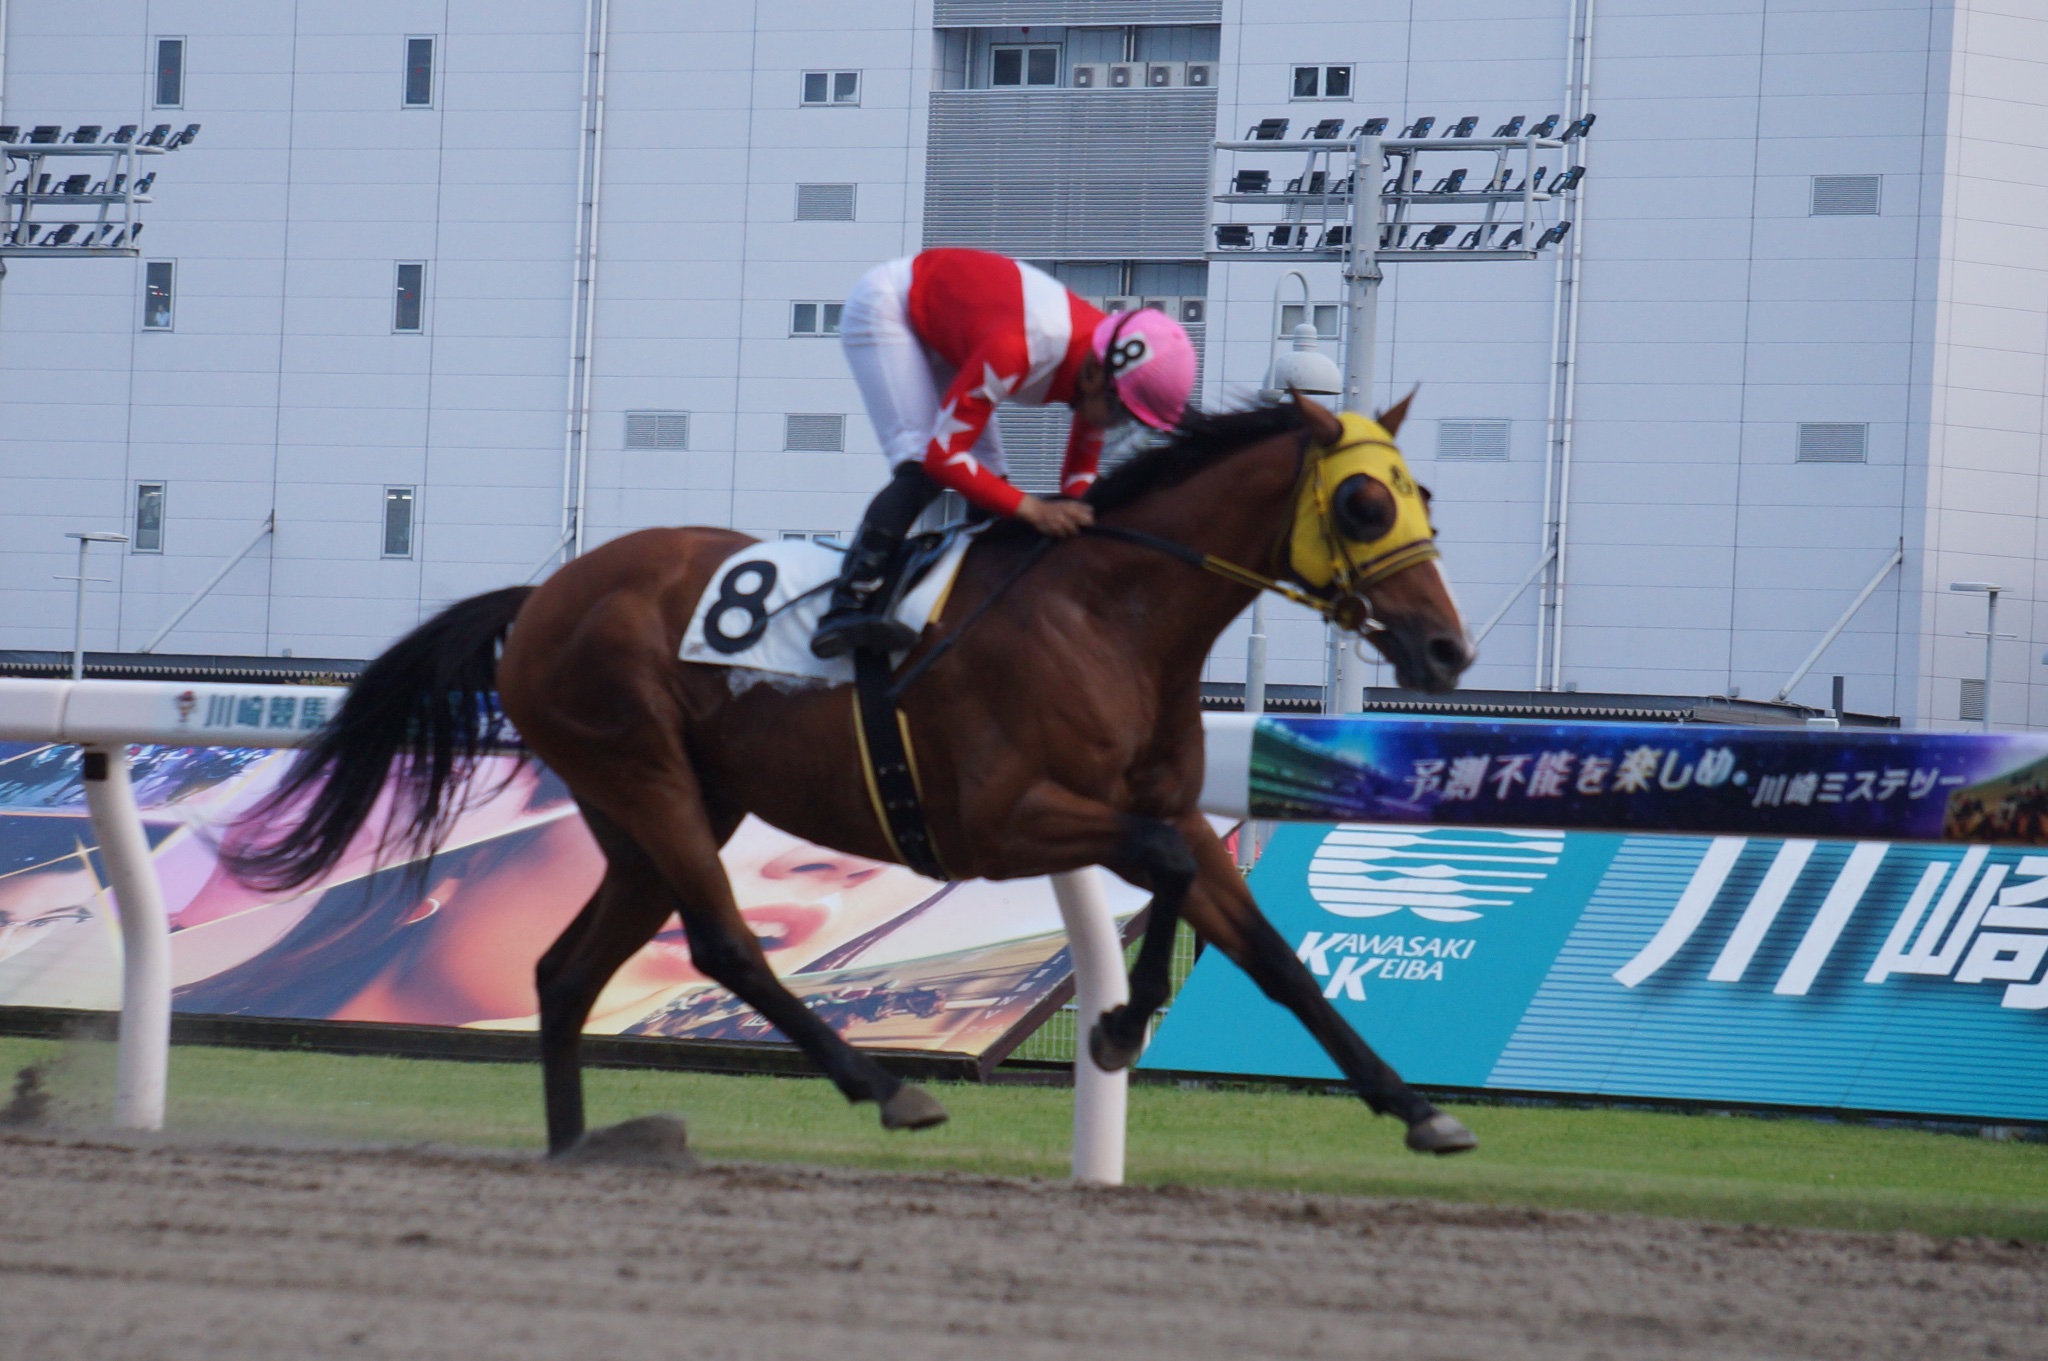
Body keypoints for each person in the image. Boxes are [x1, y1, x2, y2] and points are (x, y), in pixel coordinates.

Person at [811, 248, 1198, 659]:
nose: (1115, 426)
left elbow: (1078, 477)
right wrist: (1035, 511)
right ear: (1093, 375)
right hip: (892, 308)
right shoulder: (1021, 348)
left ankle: (963, 608)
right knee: (923, 469)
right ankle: (847, 604)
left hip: (953, 328)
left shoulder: (1099, 359)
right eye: (1121, 413)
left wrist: (1082, 516)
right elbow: (944, 457)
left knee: (992, 492)